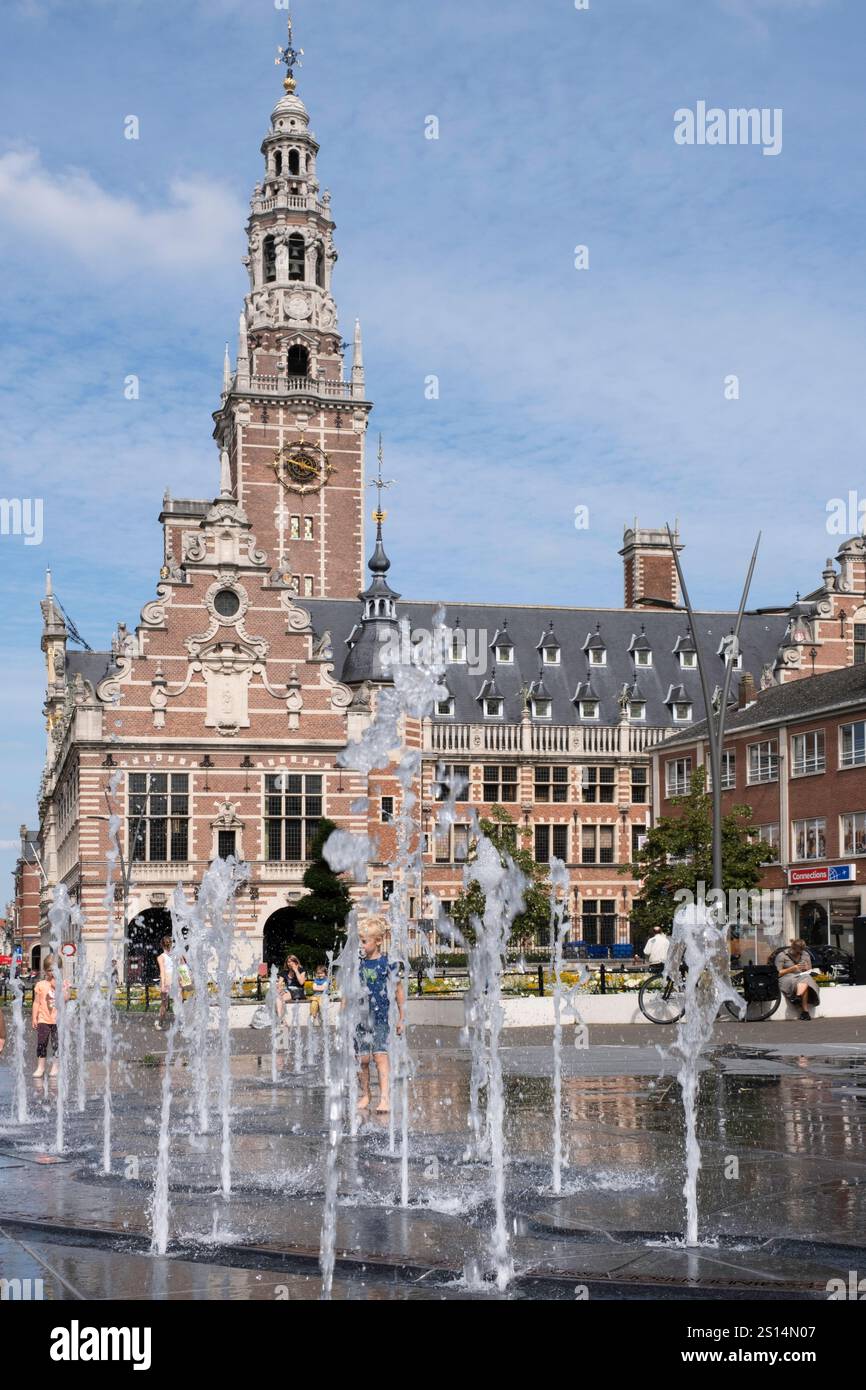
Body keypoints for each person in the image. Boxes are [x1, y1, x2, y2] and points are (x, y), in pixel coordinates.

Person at [356, 920, 404, 1114]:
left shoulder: (387, 964)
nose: (361, 945)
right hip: (360, 1019)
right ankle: (366, 1094)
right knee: (363, 1060)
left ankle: (385, 1098)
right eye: (360, 940)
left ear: (377, 941)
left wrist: (402, 1017)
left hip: (380, 1018)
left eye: (364, 941)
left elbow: (398, 990)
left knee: (381, 1057)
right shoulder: (358, 964)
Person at [32, 954, 67, 1078]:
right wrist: (34, 1017)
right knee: (42, 1043)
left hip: (58, 1020)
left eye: (55, 970)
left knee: (56, 1044)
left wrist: (56, 987)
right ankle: (40, 1067)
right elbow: (36, 1002)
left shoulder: (63, 984)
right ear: (45, 970)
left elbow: (66, 998)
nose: (52, 973)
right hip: (43, 1019)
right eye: (49, 970)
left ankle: (55, 1066)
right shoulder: (40, 984)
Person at [775, 939, 820, 1021]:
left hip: (801, 977)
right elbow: (777, 973)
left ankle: (797, 996)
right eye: (798, 952)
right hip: (786, 977)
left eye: (801, 952)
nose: (799, 954)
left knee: (806, 978)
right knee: (805, 981)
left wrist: (807, 969)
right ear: (793, 948)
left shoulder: (805, 954)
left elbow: (810, 970)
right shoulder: (782, 955)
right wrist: (792, 968)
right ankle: (805, 1011)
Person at [277, 954, 307, 1020]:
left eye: (291, 961)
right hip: (288, 991)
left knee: (280, 999)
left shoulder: (301, 970)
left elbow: (301, 982)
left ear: (296, 962)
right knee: (278, 998)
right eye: (288, 962)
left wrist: (296, 970)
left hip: (298, 991)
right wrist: (280, 989)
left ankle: (280, 1019)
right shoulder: (284, 972)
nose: (289, 963)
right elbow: (279, 984)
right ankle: (281, 1019)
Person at [155, 936, 174, 1031]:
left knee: (164, 1004)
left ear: (161, 945)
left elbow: (162, 972)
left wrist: (162, 985)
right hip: (176, 980)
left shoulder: (161, 957)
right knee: (179, 1003)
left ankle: (160, 1023)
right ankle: (181, 1024)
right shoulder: (176, 954)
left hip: (167, 981)